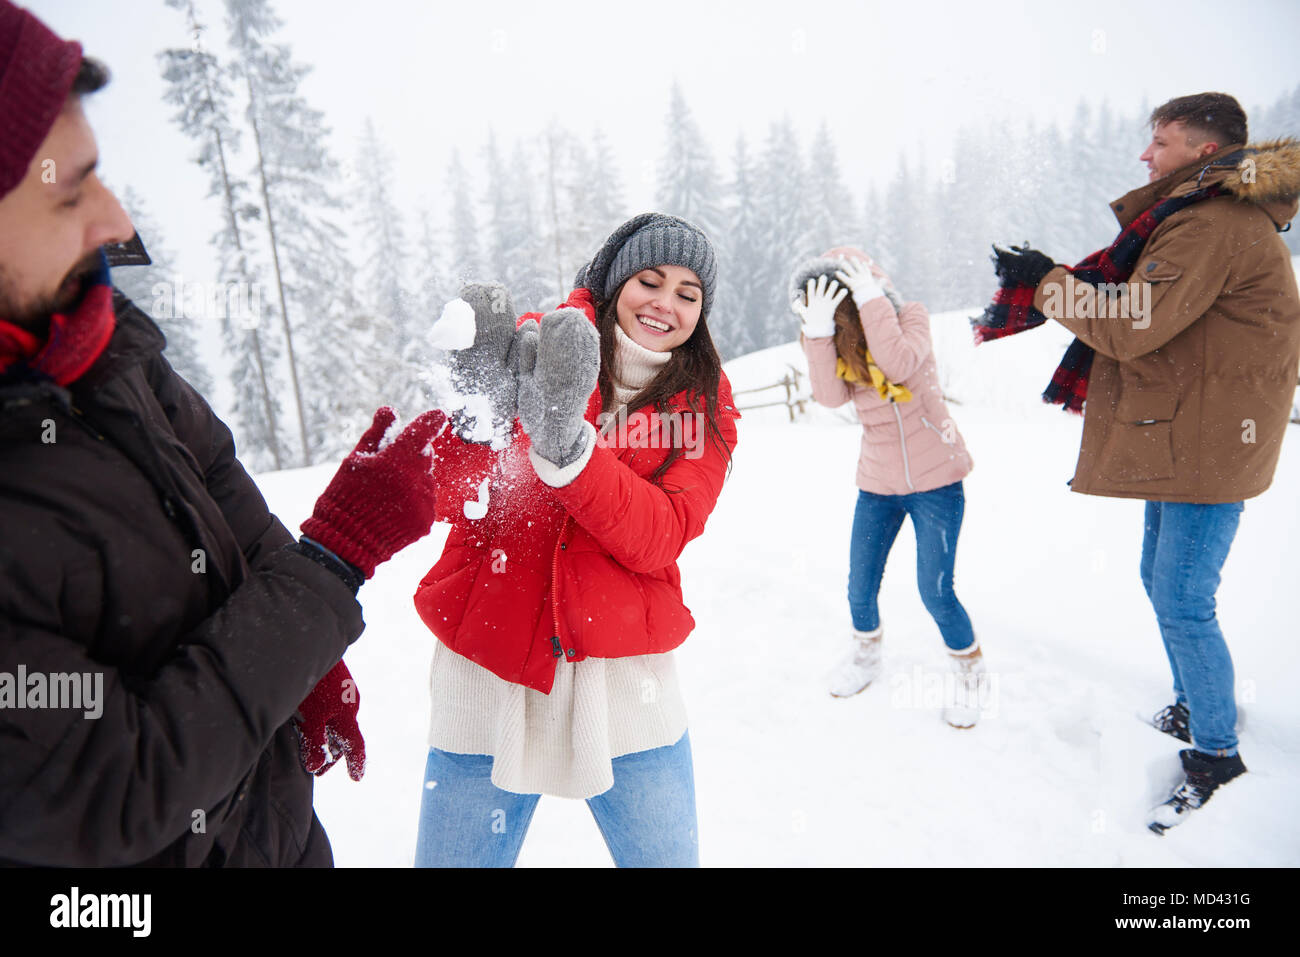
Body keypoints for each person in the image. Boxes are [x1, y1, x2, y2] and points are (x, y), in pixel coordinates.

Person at [0, 1, 442, 865]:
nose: (117, 222)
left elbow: (213, 477)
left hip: (270, 833)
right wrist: (334, 560)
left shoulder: (89, 335)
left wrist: (304, 661)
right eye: (69, 192)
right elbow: (121, 786)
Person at [975, 92, 1300, 832]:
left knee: (1183, 598)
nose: (1146, 155)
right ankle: (1196, 704)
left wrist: (1048, 282)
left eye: (1161, 141)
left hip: (1207, 443)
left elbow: (1131, 321)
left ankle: (1216, 755)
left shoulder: (1212, 223)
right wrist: (1056, 277)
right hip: (1194, 435)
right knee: (1164, 583)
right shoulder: (1199, 215)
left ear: (1204, 150)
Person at [410, 213, 739, 867]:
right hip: (489, 673)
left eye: (688, 293)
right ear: (617, 283)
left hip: (625, 690)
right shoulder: (538, 347)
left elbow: (660, 535)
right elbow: (453, 497)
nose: (665, 304)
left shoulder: (704, 407)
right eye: (650, 281)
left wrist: (572, 454)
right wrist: (477, 421)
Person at [790, 247, 981, 727]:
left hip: (938, 481)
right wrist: (819, 333)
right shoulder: (845, 345)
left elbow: (897, 364)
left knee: (935, 591)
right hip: (877, 484)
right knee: (860, 585)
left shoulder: (911, 317)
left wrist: (870, 298)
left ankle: (971, 674)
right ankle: (866, 657)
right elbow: (829, 397)